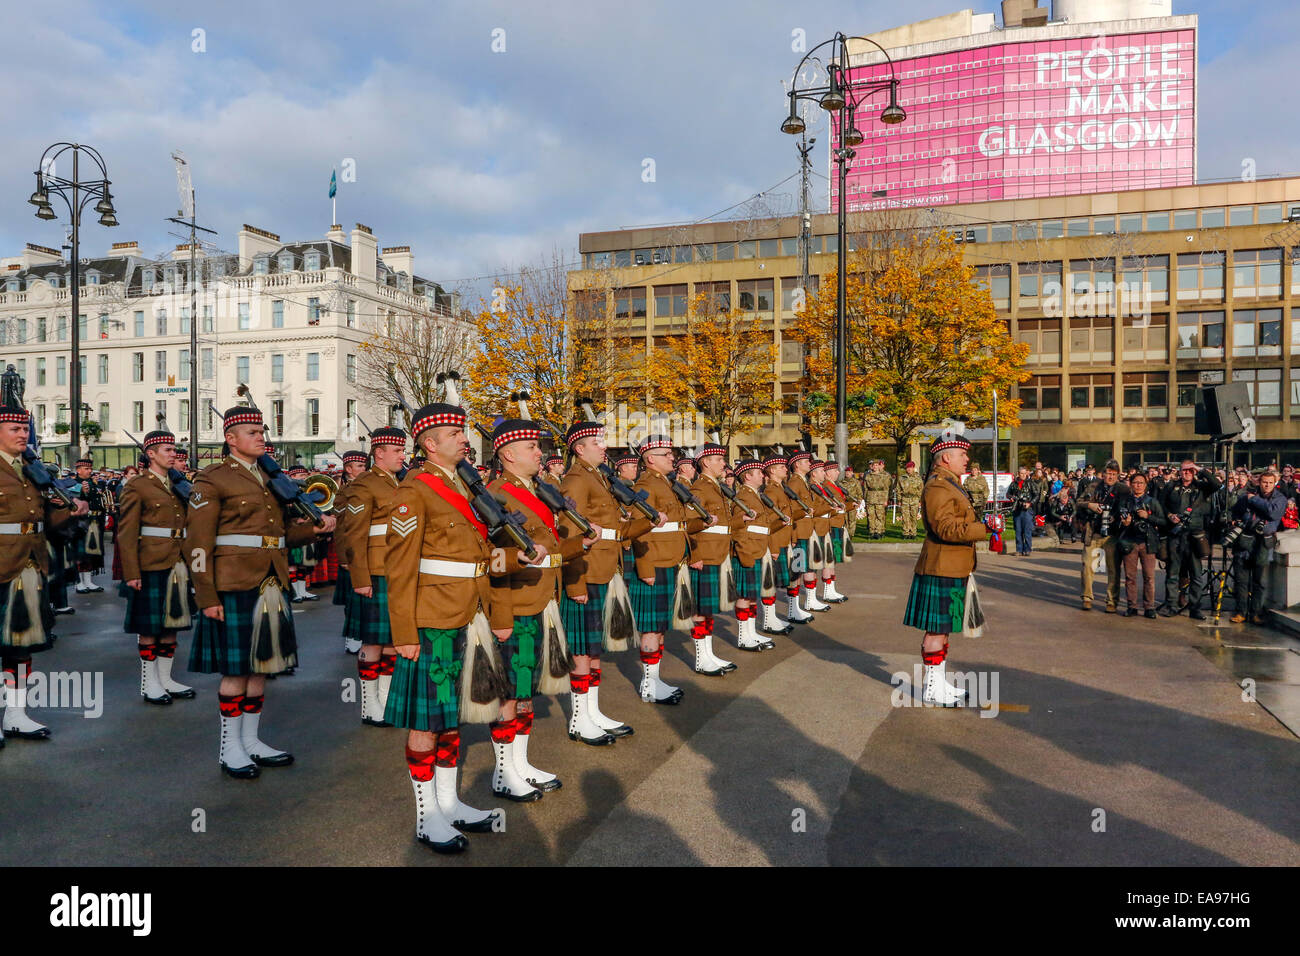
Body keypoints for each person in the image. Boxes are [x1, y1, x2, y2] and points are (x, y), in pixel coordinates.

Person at [383, 393, 508, 853]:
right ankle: (426, 817)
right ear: (429, 444)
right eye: (455, 433)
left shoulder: (465, 487)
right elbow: (399, 568)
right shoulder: (414, 490)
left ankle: (450, 803)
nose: (465, 439)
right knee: (427, 721)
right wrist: (403, 634)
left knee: (451, 717)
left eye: (463, 431)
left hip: (468, 613)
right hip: (432, 619)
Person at [186, 405, 337, 778]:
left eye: (262, 432)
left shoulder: (272, 478)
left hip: (272, 579)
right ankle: (229, 748)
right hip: (233, 582)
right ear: (231, 438)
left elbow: (280, 535)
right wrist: (206, 595)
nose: (261, 438)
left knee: (261, 668)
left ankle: (251, 741)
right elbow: (197, 544)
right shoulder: (213, 478)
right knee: (235, 670)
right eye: (252, 432)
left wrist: (314, 531)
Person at [485, 416, 580, 797]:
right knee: (510, 691)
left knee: (525, 691)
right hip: (518, 603)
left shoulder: (539, 490)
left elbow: (551, 551)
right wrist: (502, 617)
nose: (540, 452)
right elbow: (496, 559)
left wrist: (580, 544)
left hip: (542, 598)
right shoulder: (496, 494)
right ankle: (503, 773)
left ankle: (520, 763)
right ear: (508, 453)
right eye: (531, 447)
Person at [557, 418, 651, 744]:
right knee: (582, 649)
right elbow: (569, 532)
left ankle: (592, 712)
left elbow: (614, 531)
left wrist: (648, 523)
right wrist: (575, 583)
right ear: (579, 448)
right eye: (597, 442)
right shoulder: (575, 481)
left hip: (605, 567)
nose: (604, 446)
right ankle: (579, 718)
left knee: (593, 648)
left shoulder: (600, 479)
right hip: (587, 571)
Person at [0, 398, 88, 741]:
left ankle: (16, 714)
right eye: (16, 429)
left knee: (21, 645)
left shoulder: (31, 469)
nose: (24, 434)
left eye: (25, 428)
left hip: (30, 563)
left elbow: (44, 522)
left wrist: (71, 511)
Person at [902, 426, 989, 706]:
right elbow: (945, 528)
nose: (967, 459)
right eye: (962, 454)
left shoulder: (950, 482)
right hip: (942, 566)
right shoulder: (939, 485)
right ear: (944, 457)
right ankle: (931, 688)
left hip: (952, 566)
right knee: (937, 629)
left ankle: (938, 683)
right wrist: (982, 528)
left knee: (944, 627)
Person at [117, 428, 196, 705]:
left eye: (175, 450)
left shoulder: (178, 484)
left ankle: (166, 678)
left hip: (178, 560)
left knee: (172, 622)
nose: (174, 454)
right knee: (150, 626)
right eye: (168, 450)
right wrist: (131, 573)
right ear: (150, 454)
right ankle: (149, 682)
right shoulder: (137, 486)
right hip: (150, 561)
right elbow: (126, 533)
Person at [631, 435, 710, 704]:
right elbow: (639, 529)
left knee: (660, 625)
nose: (672, 457)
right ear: (650, 458)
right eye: (666, 454)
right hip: (655, 562)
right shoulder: (645, 484)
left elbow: (679, 524)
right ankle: (649, 685)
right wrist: (645, 568)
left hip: (670, 559)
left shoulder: (667, 484)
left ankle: (655, 680)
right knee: (651, 627)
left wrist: (702, 523)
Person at [336, 429, 407, 726]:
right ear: (379, 453)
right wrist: (360, 577)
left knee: (391, 640)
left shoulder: (400, 482)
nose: (403, 455)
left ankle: (386, 700)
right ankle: (368, 705)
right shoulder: (366, 483)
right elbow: (354, 533)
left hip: (396, 570)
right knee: (373, 642)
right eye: (397, 450)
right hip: (374, 572)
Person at [685, 440, 739, 676]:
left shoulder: (714, 487)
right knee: (700, 609)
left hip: (716, 554)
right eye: (718, 459)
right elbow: (688, 526)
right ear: (706, 462)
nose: (723, 464)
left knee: (708, 608)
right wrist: (695, 555)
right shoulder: (699, 489)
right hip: (704, 556)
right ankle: (701, 657)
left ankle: (708, 653)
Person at [728, 456, 781, 651]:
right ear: (747, 476)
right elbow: (738, 528)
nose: (763, 475)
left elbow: (762, 527)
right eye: (759, 472)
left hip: (758, 549)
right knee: (744, 595)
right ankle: (743, 636)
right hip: (748, 551)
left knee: (751, 595)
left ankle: (751, 633)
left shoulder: (755, 495)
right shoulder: (743, 497)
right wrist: (744, 554)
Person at [1159, 460, 1221, 620]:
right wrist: (1169, 516)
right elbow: (1161, 505)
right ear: (1179, 471)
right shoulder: (1171, 486)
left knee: (1196, 574)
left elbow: (1216, 484)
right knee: (1173, 573)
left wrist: (1200, 469)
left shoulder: (1201, 487)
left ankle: (1195, 608)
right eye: (1184, 470)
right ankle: (1171, 604)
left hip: (1194, 535)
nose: (1186, 473)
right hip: (1175, 535)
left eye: (1189, 470)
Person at [1228, 468, 1287, 625]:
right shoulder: (1245, 497)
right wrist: (1235, 521)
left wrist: (1254, 500)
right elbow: (1234, 512)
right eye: (1264, 482)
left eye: (1270, 483)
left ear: (1275, 483)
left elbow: (1273, 513)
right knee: (1241, 580)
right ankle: (1241, 612)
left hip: (1263, 542)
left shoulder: (1280, 498)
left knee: (1258, 581)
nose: (1267, 485)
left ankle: (1255, 613)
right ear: (1259, 483)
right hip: (1244, 540)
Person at [1076, 459, 1129, 612]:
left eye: (1113, 474)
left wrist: (1117, 517)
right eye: (1108, 473)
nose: (1110, 477)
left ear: (1118, 475)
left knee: (1113, 569)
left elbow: (1128, 508)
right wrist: (1090, 505)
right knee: (1087, 566)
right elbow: (1078, 502)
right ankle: (1086, 597)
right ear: (1103, 474)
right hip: (1093, 532)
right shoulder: (1093, 486)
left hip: (1113, 534)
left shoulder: (1124, 490)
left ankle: (1112, 601)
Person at [761, 449, 802, 629]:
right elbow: (769, 523)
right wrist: (774, 547)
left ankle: (774, 618)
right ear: (771, 470)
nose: (786, 469)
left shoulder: (782, 489)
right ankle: (769, 620)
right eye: (781, 467)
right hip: (776, 542)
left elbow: (788, 517)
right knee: (770, 584)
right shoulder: (771, 490)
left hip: (785, 541)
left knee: (781, 582)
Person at [786, 444, 830, 611]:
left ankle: (809, 601)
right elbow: (792, 510)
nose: (809, 465)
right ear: (797, 464)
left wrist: (829, 508)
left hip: (807, 530)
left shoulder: (802, 482)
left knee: (808, 566)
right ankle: (793, 609)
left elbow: (810, 508)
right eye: (806, 462)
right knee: (797, 571)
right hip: (799, 531)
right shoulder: (794, 482)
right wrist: (793, 536)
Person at [1116, 473, 1166, 618]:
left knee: (1149, 577)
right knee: (1130, 577)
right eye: (1135, 482)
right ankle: (1132, 606)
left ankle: (1149, 607)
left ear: (1146, 485)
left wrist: (1147, 516)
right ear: (1130, 484)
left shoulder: (1152, 502)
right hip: (1130, 542)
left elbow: (1163, 522)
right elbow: (1117, 521)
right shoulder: (1125, 501)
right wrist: (1124, 523)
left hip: (1147, 542)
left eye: (1141, 483)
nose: (1138, 485)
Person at [336, 449, 369, 655]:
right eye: (360, 466)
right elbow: (341, 528)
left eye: (365, 466)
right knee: (352, 600)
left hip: (364, 551)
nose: (364, 469)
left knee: (364, 599)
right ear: (348, 469)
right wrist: (343, 557)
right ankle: (352, 636)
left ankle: (362, 634)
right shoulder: (343, 492)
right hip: (349, 553)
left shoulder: (366, 487)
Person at [72, 457, 107, 593]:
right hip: (80, 522)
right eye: (86, 469)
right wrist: (83, 492)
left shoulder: (92, 483)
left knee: (91, 552)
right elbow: (74, 501)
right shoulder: (73, 483)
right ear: (79, 470)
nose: (89, 471)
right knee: (80, 553)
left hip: (93, 522)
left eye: (90, 468)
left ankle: (88, 581)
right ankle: (79, 582)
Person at [1010, 466, 1036, 556]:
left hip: (1027, 510)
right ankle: (1019, 550)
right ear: (1018, 474)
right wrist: (1011, 498)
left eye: (1025, 473)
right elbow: (1008, 493)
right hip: (1017, 509)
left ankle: (1028, 549)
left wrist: (1030, 503)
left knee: (1027, 531)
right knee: (1018, 531)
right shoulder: (1014, 483)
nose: (1023, 475)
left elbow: (1036, 495)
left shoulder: (1031, 483)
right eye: (1022, 473)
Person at [862, 459, 891, 539]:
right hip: (870, 498)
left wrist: (885, 500)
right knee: (871, 516)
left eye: (876, 465)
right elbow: (865, 488)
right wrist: (865, 499)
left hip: (880, 498)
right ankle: (872, 532)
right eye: (873, 465)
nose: (875, 467)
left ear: (879, 466)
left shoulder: (883, 476)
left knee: (879, 515)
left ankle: (878, 532)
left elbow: (886, 489)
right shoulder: (868, 476)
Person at [895, 460, 924, 539]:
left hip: (914, 499)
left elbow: (921, 490)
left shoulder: (918, 478)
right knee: (905, 517)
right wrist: (899, 500)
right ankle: (906, 533)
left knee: (913, 517)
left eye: (910, 468)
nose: (908, 469)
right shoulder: (902, 478)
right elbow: (898, 489)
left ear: (913, 468)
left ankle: (913, 533)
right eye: (907, 468)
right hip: (905, 499)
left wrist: (920, 501)